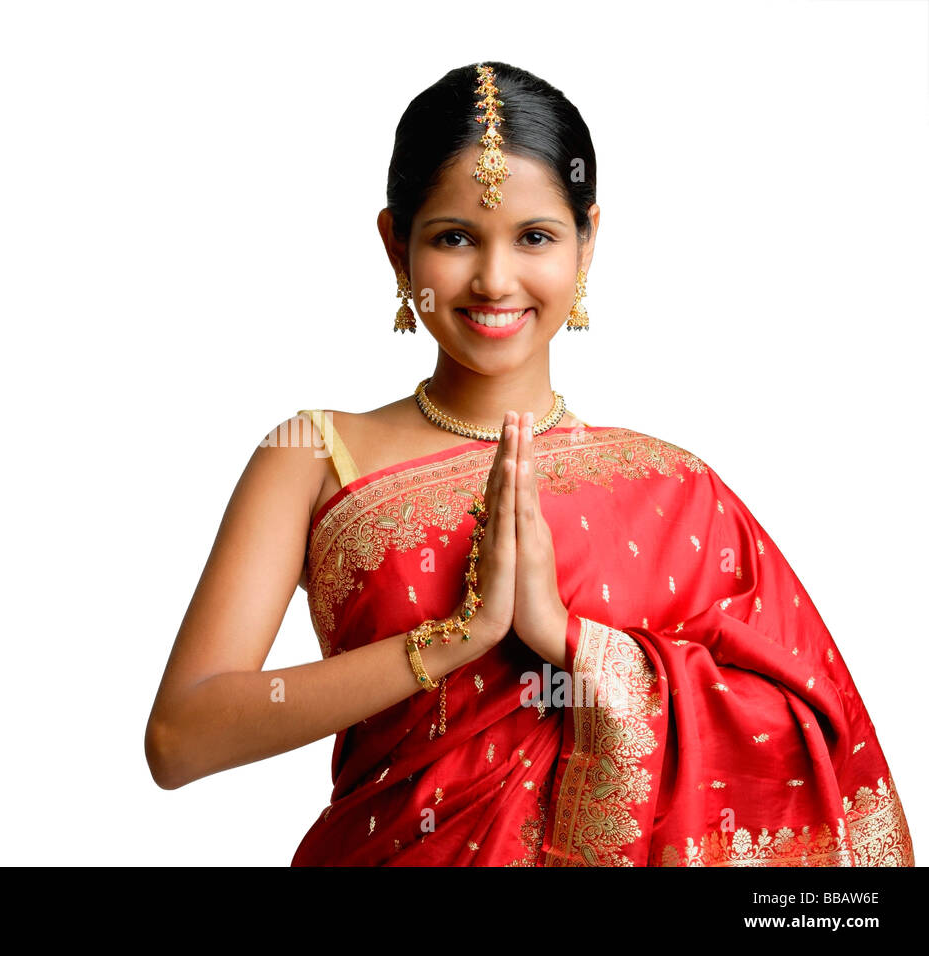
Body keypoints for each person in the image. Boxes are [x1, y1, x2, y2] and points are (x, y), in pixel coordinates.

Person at [144, 61, 914, 866]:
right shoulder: (311, 457)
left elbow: (811, 724)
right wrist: (454, 640)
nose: (494, 279)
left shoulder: (674, 489)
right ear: (394, 245)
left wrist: (569, 641)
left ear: (588, 243)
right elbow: (180, 739)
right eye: (453, 238)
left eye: (536, 237)